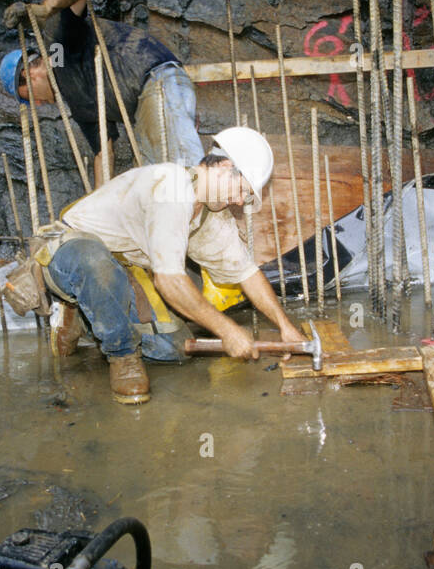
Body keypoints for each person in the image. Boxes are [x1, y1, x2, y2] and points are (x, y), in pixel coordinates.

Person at [29, 126, 307, 405]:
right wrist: (227, 330)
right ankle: (122, 357)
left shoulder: (211, 213)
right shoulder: (171, 186)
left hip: (123, 271)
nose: (237, 201)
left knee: (174, 350)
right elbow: (169, 281)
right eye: (241, 190)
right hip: (70, 251)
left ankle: (81, 317)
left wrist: (285, 327)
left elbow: (246, 272)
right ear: (224, 167)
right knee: (97, 266)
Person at [0, 0, 202, 186]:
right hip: (147, 103)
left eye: (31, 98)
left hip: (158, 80)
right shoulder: (78, 104)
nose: (39, 104)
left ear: (28, 75)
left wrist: (44, 11)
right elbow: (103, 154)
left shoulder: (59, 49)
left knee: (180, 173)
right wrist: (97, 204)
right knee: (157, 183)